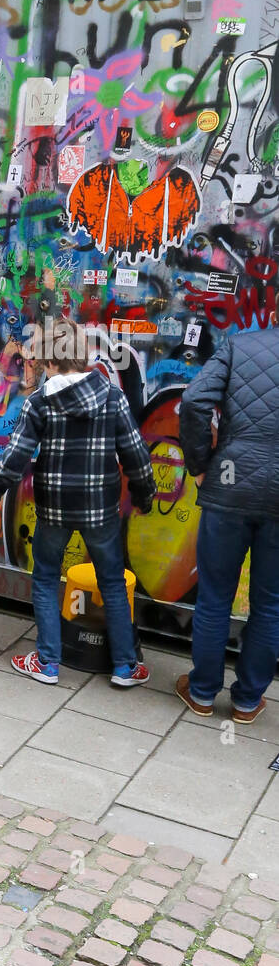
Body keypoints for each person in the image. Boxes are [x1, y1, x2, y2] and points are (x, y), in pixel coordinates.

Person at [0, 318, 155, 687]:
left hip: (53, 507)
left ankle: (47, 662)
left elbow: (13, 460)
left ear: (50, 363)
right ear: (84, 356)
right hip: (100, 508)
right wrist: (144, 495)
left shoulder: (40, 402)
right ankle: (124, 667)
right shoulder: (113, 397)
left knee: (44, 579)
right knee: (112, 582)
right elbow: (136, 455)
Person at [177, 309, 279, 723]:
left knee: (216, 595)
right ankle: (247, 701)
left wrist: (200, 465)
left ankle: (201, 693)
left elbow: (194, 400)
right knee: (271, 605)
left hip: (230, 484)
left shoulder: (241, 345)